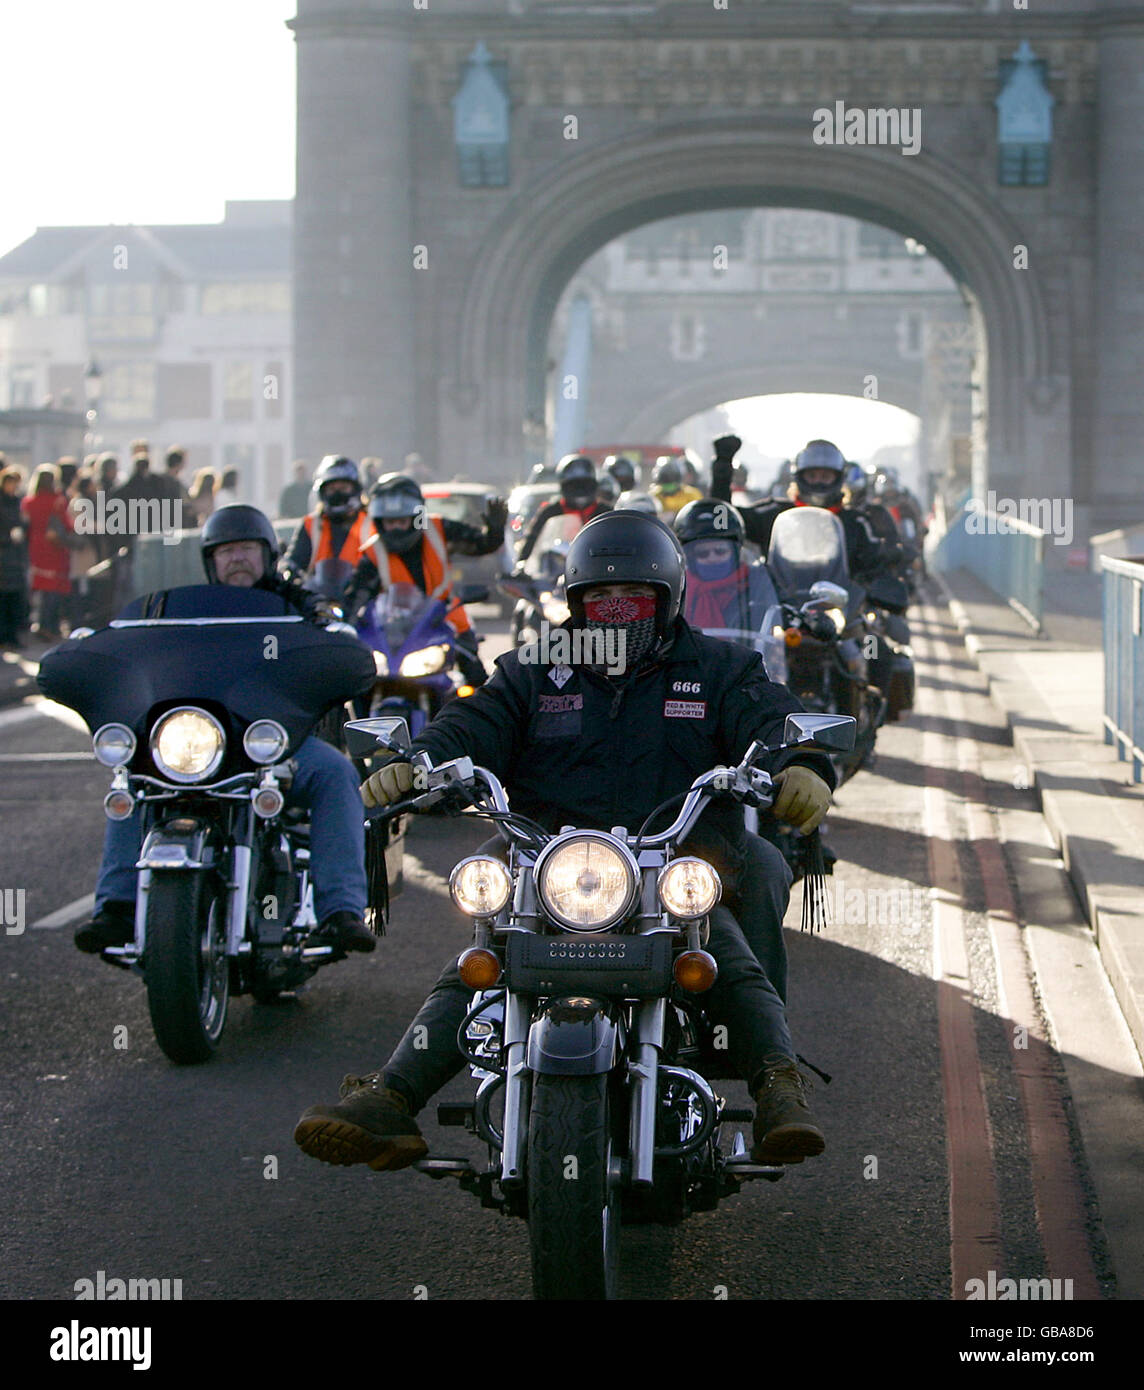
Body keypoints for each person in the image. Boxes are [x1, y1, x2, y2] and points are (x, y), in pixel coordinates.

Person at [294, 510, 836, 1173]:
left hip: (675, 857)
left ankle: (778, 1083)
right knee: (484, 949)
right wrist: (419, 756)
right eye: (598, 598)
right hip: (546, 859)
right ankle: (391, 1095)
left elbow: (775, 718)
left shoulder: (721, 668)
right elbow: (472, 719)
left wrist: (803, 761)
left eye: (631, 598)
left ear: (667, 598)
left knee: (719, 944)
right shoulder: (533, 670)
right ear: (576, 603)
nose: (614, 612)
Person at [72, 504, 375, 960]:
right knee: (133, 778)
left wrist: (335, 633)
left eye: (247, 549)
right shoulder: (179, 610)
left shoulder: (296, 604)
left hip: (279, 745)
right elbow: (134, 641)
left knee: (334, 771)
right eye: (226, 551)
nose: (237, 559)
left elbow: (333, 634)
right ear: (210, 561)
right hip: (202, 744)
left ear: (268, 555)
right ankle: (115, 907)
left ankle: (341, 910)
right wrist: (92, 642)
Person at [346, 473, 507, 688]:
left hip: (446, 619)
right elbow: (355, 596)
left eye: (402, 521)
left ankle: (482, 716)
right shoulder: (371, 553)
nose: (396, 528)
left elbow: (481, 544)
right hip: (393, 632)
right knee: (357, 682)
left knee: (475, 677)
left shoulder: (438, 528)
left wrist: (495, 532)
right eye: (390, 522)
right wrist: (342, 624)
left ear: (415, 517)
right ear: (379, 521)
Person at [674, 498, 777, 635]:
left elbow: (780, 613)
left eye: (720, 551)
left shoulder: (758, 581)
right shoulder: (679, 589)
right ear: (691, 557)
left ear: (735, 553)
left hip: (748, 655)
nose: (712, 558)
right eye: (703, 553)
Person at [515, 454, 610, 564]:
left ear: (594, 485)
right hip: (556, 571)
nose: (580, 490)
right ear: (563, 486)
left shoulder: (606, 512)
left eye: (585, 485)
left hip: (598, 570)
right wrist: (522, 563)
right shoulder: (550, 512)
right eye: (574, 485)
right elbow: (532, 538)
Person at [283, 455, 367, 580]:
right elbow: (294, 564)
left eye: (344, 488)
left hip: (363, 596)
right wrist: (288, 574)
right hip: (319, 596)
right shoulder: (311, 525)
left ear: (355, 490)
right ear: (322, 493)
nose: (338, 494)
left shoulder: (373, 523)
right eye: (332, 489)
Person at [21, 463, 72, 639]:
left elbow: (25, 526)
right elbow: (67, 524)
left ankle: (41, 623)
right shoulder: (57, 501)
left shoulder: (28, 502)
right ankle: (50, 625)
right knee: (54, 587)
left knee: (42, 586)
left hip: (35, 546)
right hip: (54, 547)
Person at [0, 463, 28, 648]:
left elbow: (24, 522)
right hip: (3, 556)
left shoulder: (19, 501)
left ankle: (13, 635)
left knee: (15, 598)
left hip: (16, 557)